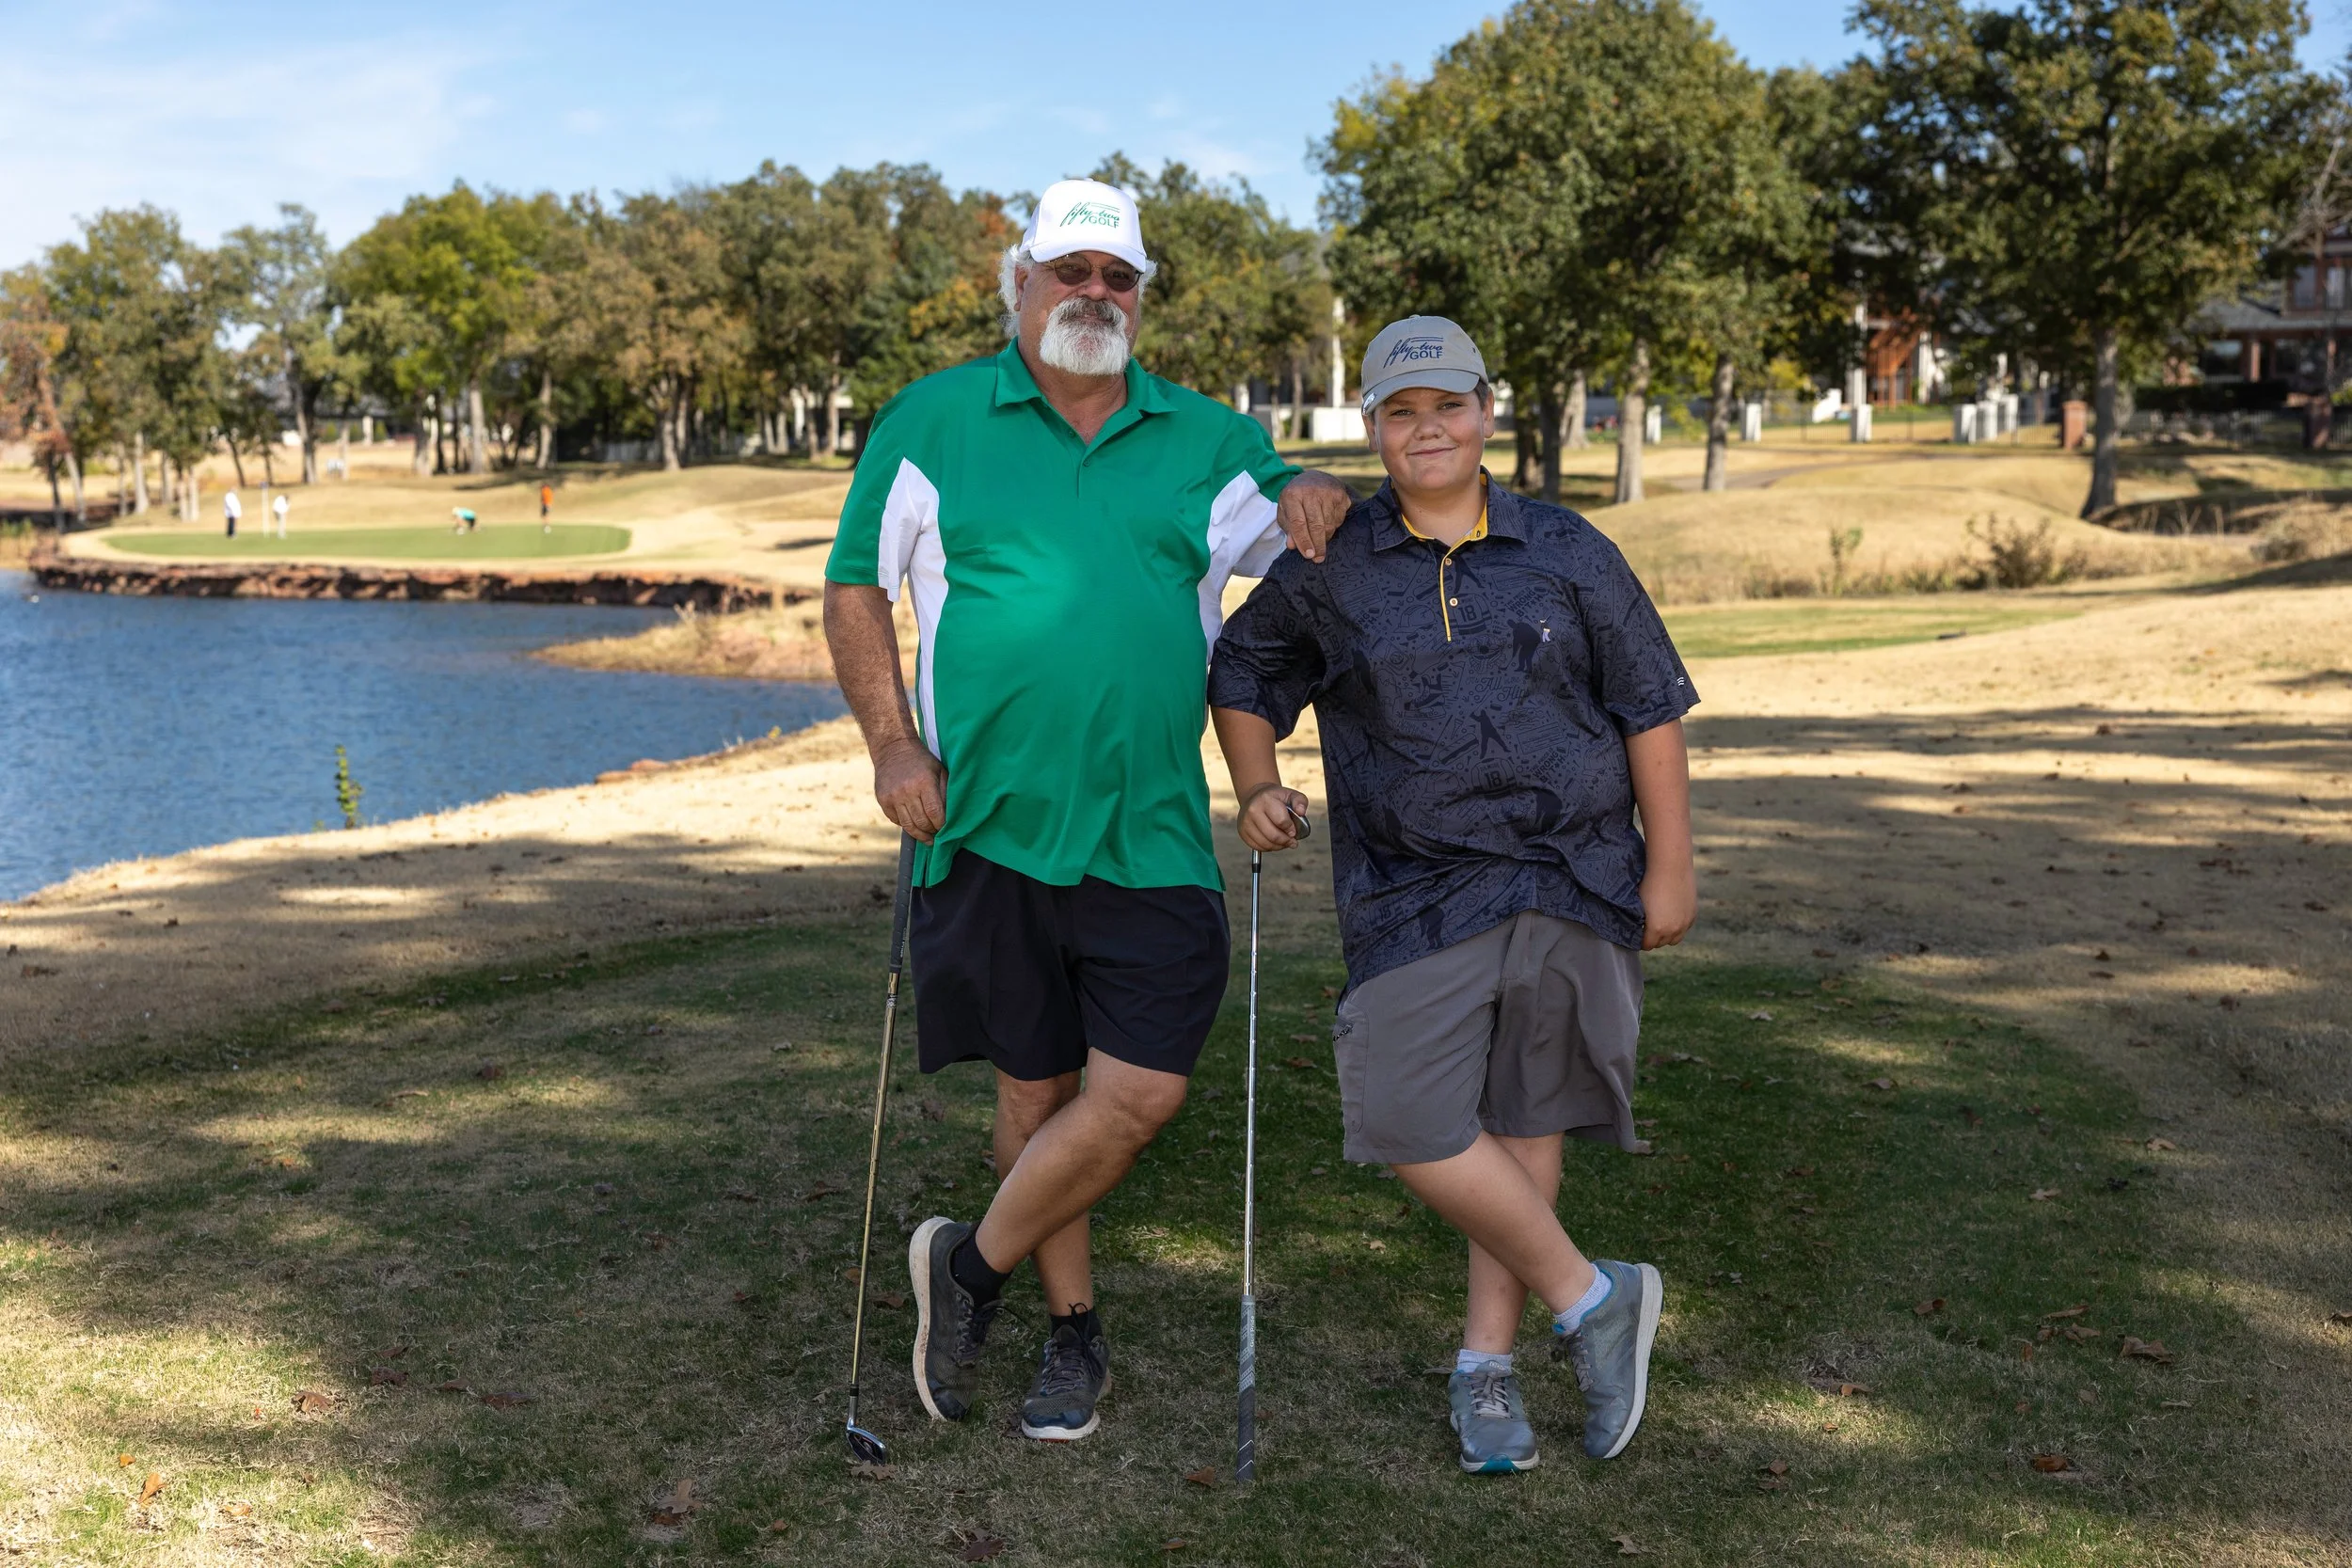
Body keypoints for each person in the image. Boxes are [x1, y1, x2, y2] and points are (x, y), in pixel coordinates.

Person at [822, 177, 1352, 1444]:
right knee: (1030, 1093)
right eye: (1072, 272)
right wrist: (893, 745)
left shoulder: (1206, 437)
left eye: (1118, 277)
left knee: (1138, 1093)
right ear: (1021, 281)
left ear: (1140, 296)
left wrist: (1320, 488)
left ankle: (965, 1267)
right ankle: (1072, 1334)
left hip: (1153, 829)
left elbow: (1299, 532)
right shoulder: (932, 420)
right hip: (987, 823)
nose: (1096, 296)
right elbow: (853, 590)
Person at [1207, 316, 1698, 1475]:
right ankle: (1593, 1298)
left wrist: (1670, 865)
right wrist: (1257, 782)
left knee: (1527, 1124)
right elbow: (1241, 668)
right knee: (1408, 1116)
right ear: (1371, 427)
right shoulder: (1328, 561)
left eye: (1447, 407)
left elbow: (1649, 707)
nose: (1426, 429)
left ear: (1486, 411)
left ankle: (1488, 1370)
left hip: (1575, 874)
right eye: (1399, 411)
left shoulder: (1566, 546)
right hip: (1408, 888)